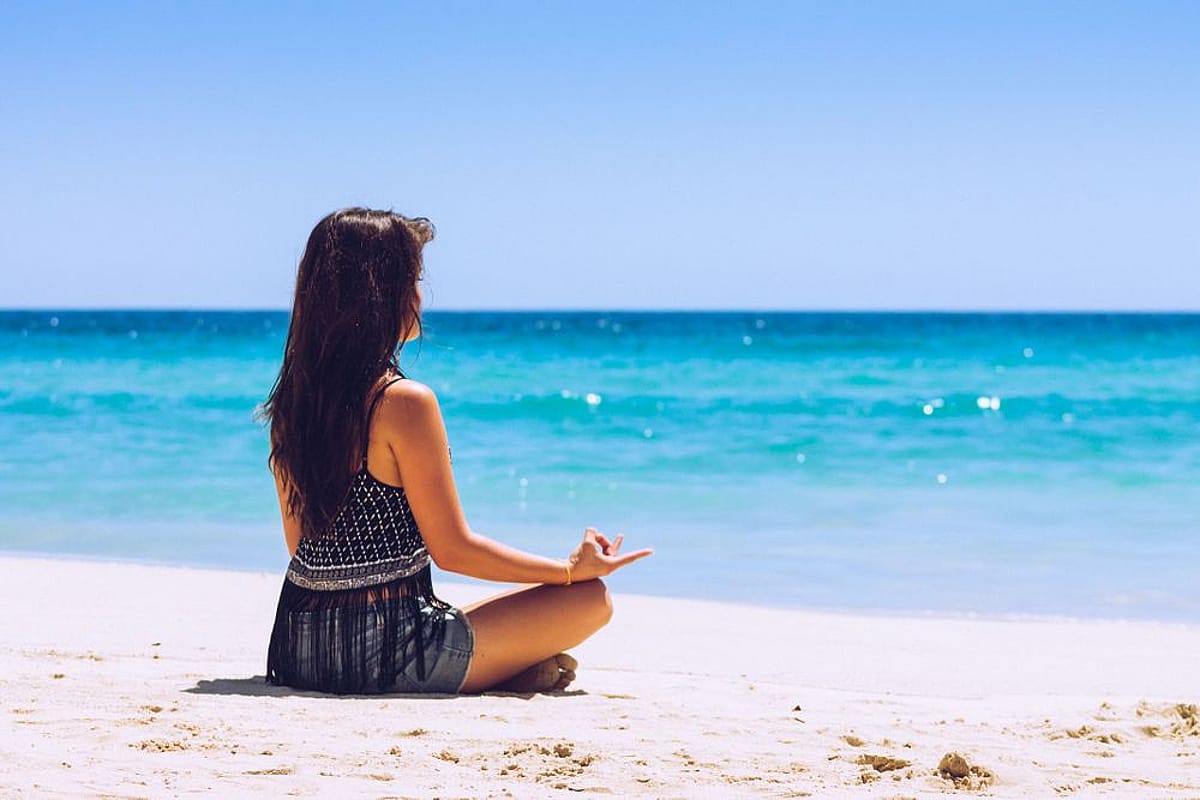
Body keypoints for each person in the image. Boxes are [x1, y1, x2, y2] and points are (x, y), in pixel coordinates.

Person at [262, 208, 652, 695]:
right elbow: (453, 551)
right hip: (385, 656)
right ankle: (499, 669)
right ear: (383, 293)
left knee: (476, 614)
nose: (421, 296)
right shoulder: (401, 401)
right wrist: (570, 571)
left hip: (300, 648)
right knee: (590, 600)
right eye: (414, 279)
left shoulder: (292, 404)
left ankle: (505, 665)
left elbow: (301, 548)